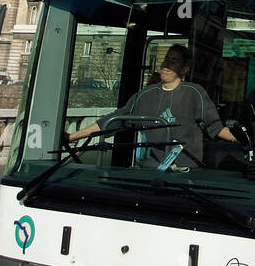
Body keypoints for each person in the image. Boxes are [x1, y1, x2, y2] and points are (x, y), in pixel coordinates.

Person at [67, 44, 238, 171]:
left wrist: (244, 142)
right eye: (167, 59)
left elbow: (215, 127)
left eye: (174, 61)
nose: (167, 64)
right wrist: (72, 137)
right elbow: (113, 121)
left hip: (187, 173)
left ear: (184, 69)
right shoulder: (145, 95)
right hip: (153, 172)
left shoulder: (194, 93)